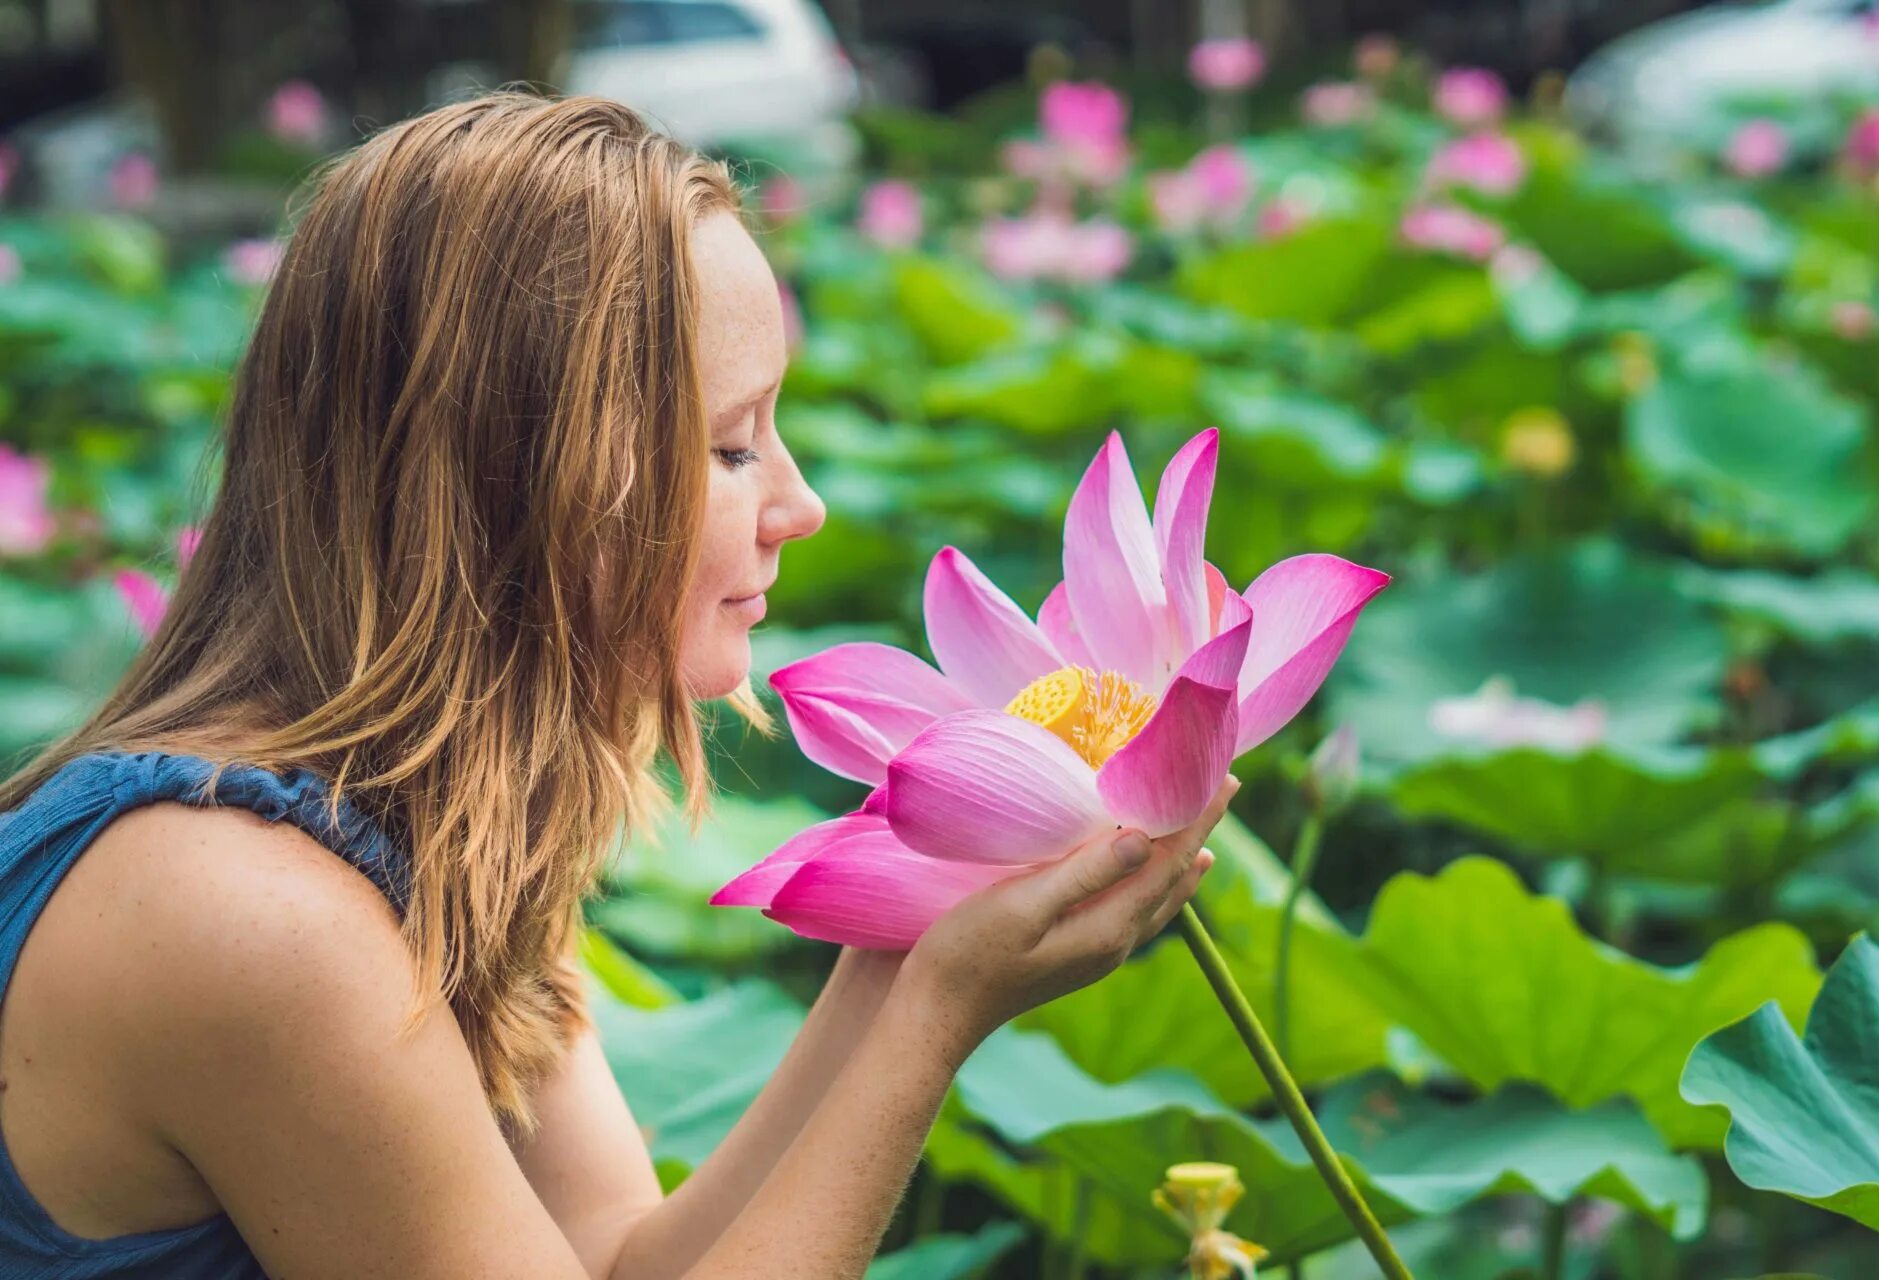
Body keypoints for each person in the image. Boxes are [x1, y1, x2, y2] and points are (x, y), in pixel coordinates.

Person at [0, 92, 1230, 1279]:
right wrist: (940, 1017)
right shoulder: (257, 911)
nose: (803, 505)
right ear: (520, 481)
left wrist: (904, 954)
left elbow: (615, 1259)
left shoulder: (435, 830)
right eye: (735, 444)